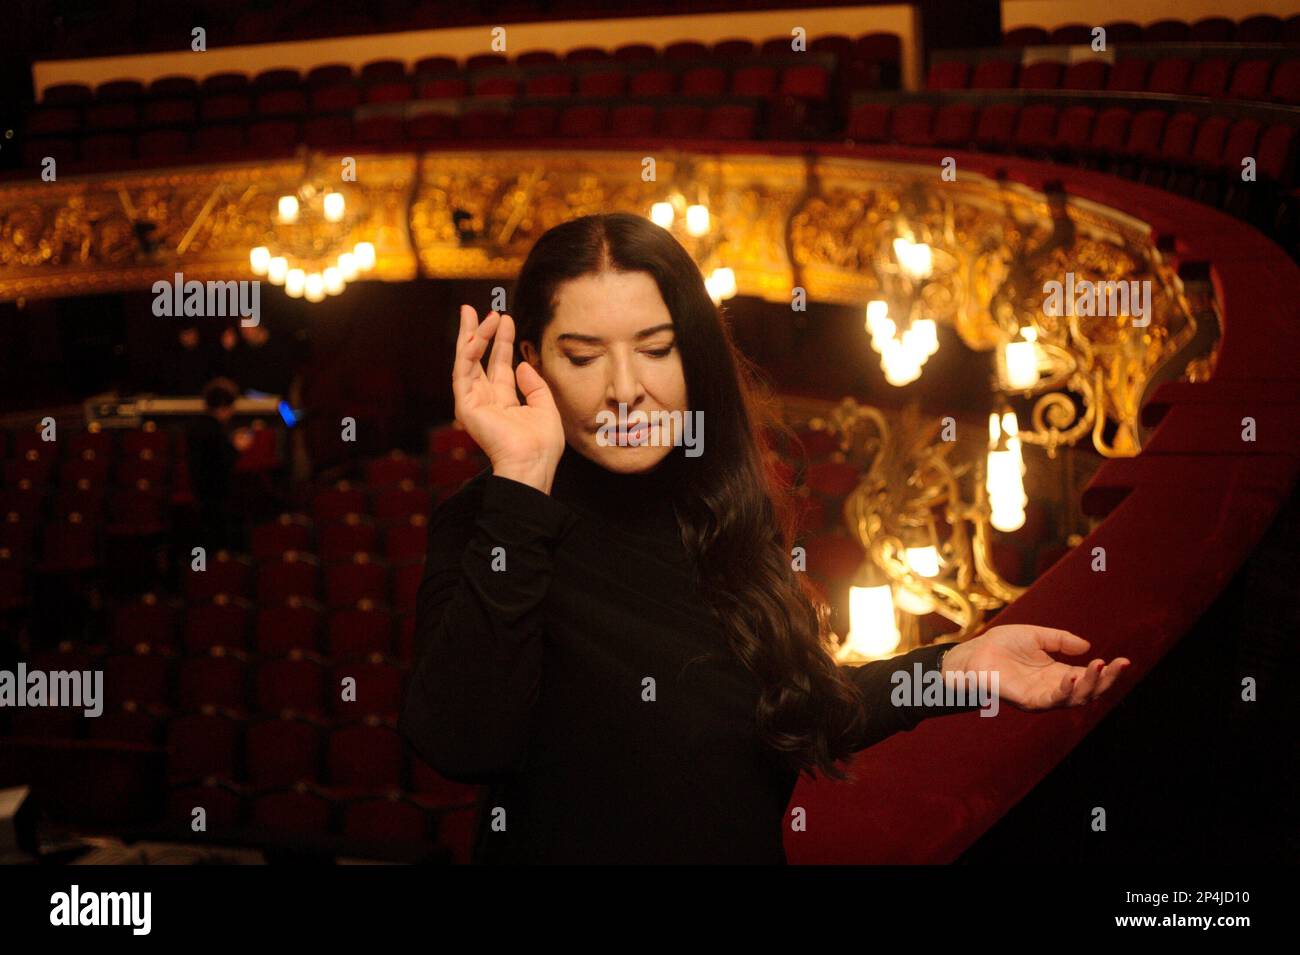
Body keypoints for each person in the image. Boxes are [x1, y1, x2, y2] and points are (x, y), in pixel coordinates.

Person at [397, 212, 1129, 864]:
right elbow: (462, 742)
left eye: (655, 348)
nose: (625, 389)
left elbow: (790, 713)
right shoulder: (495, 520)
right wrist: (521, 478)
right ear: (533, 360)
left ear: (694, 353)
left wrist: (957, 666)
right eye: (584, 357)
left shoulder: (719, 503)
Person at [185, 377, 253, 552]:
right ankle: (217, 571)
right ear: (224, 407)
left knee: (202, 546)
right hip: (215, 497)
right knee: (217, 542)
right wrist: (236, 447)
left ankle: (199, 570)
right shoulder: (214, 430)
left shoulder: (196, 427)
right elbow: (220, 465)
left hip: (198, 494)